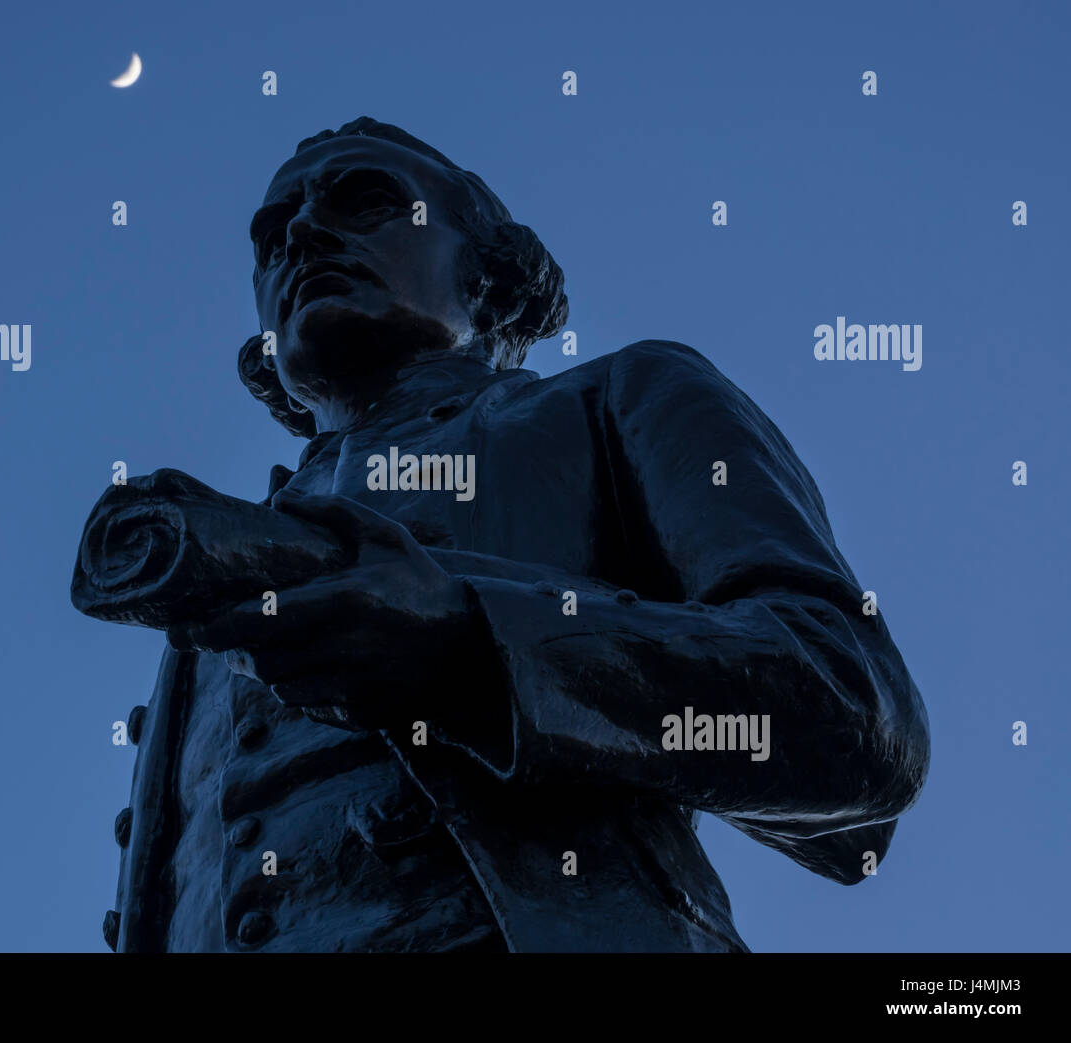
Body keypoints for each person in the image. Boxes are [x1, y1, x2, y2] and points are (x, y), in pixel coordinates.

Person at [77, 116, 929, 952]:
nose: (301, 234)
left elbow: (854, 720)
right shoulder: (215, 574)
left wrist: (470, 643)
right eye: (271, 237)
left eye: (365, 200)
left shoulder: (618, 400)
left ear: (488, 270)